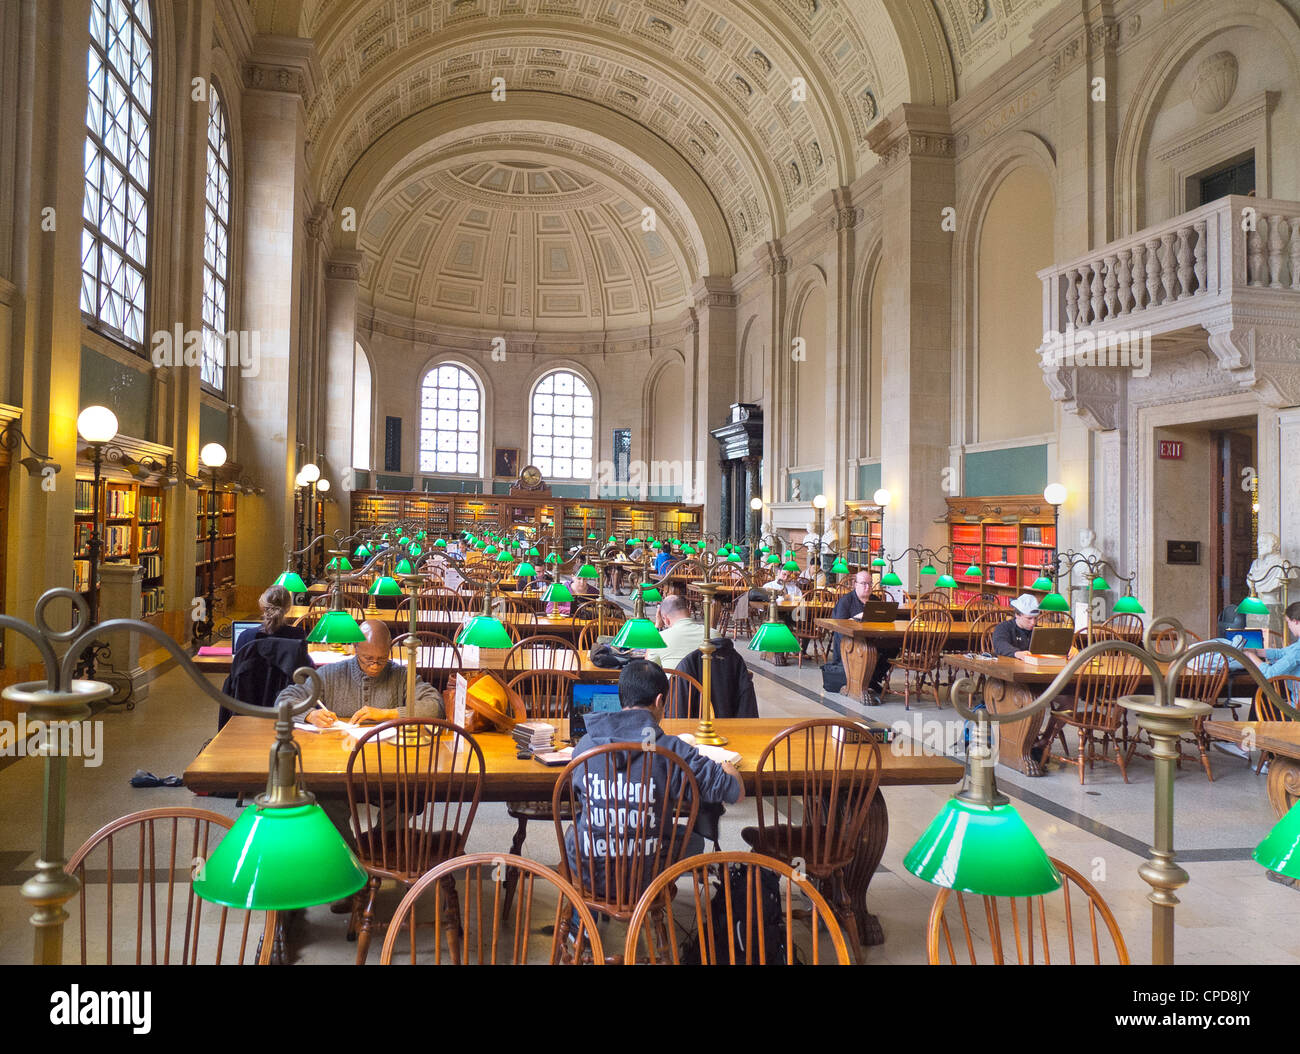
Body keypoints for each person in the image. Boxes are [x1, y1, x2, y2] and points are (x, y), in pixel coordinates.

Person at [565, 660, 744, 903]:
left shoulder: (586, 745)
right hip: (647, 879)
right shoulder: (672, 751)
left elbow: (577, 794)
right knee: (694, 840)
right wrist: (730, 769)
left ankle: (584, 922)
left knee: (577, 830)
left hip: (591, 874)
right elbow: (734, 792)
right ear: (660, 701)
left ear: (622, 698)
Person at [274, 618, 444, 727]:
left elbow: (435, 706)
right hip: (338, 754)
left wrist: (386, 713)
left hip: (388, 756)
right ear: (355, 648)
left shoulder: (401, 676)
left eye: (382, 658)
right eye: (368, 658)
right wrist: (310, 715)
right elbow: (283, 701)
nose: (375, 665)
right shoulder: (330, 674)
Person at [828, 571, 899, 704]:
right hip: (850, 642)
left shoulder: (875, 601)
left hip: (873, 640)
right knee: (867, 649)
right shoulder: (845, 602)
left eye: (870, 583)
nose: (867, 587)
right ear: (855, 585)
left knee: (893, 647)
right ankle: (863, 682)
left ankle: (873, 678)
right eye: (864, 583)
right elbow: (840, 627)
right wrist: (857, 618)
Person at [647, 594, 706, 668]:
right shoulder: (713, 634)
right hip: (706, 679)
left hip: (675, 679)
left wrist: (657, 627)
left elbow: (648, 666)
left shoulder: (660, 638)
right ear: (689, 612)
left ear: (665, 619)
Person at [991, 594, 1040, 659]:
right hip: (1008, 666)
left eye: (1036, 618)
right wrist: (1017, 653)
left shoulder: (1039, 631)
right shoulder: (1003, 628)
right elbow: (1000, 645)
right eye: (1029, 618)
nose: (1033, 622)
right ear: (1017, 615)